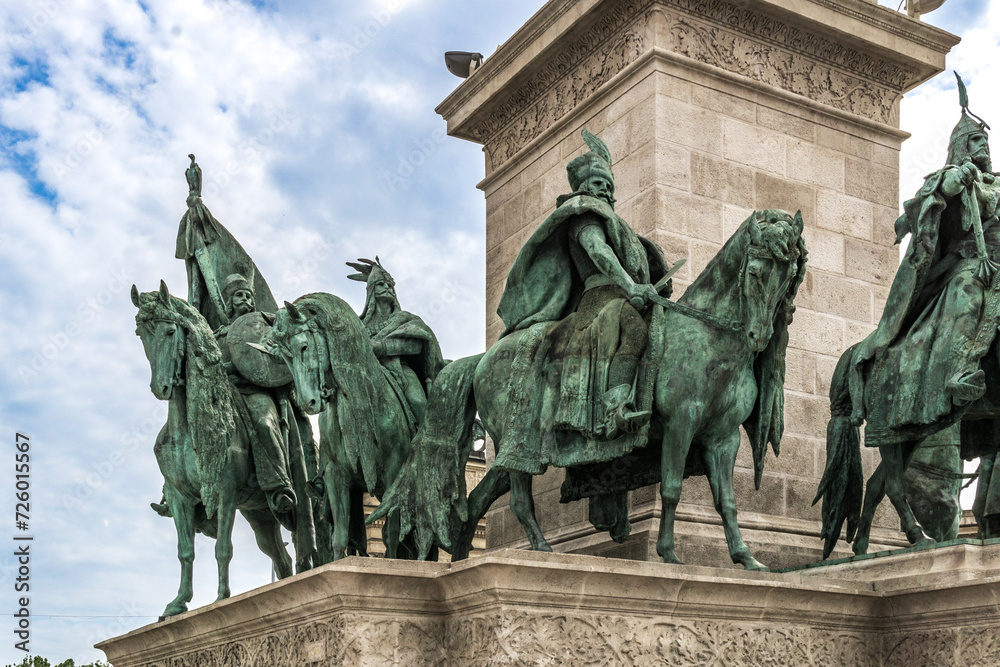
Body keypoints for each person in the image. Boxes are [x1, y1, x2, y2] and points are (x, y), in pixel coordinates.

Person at [852, 73, 1000, 445]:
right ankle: (960, 370)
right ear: (963, 148)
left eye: (986, 141)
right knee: (969, 295)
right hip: (971, 265)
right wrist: (957, 179)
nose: (985, 147)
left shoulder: (996, 182)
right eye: (977, 141)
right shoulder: (955, 174)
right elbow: (936, 193)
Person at [496, 129, 670, 441]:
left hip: (629, 296)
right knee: (633, 328)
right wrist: (631, 288)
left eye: (608, 186)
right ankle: (615, 409)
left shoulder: (620, 226)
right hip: (602, 300)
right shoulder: (582, 214)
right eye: (597, 184)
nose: (604, 190)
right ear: (583, 187)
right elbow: (598, 251)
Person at [215, 273, 297, 521]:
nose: (245, 299)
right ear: (230, 302)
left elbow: (283, 358)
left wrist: (276, 354)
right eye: (239, 295)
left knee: (264, 424)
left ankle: (279, 485)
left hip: (254, 391)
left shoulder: (265, 327)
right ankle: (180, 486)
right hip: (222, 394)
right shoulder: (217, 334)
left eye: (248, 295)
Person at [346, 258, 445, 430]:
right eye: (381, 284)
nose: (387, 288)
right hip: (366, 372)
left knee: (418, 402)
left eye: (390, 285)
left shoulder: (405, 319)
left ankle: (427, 442)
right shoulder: (360, 325)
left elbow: (417, 346)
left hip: (400, 370)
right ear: (371, 291)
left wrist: (381, 348)